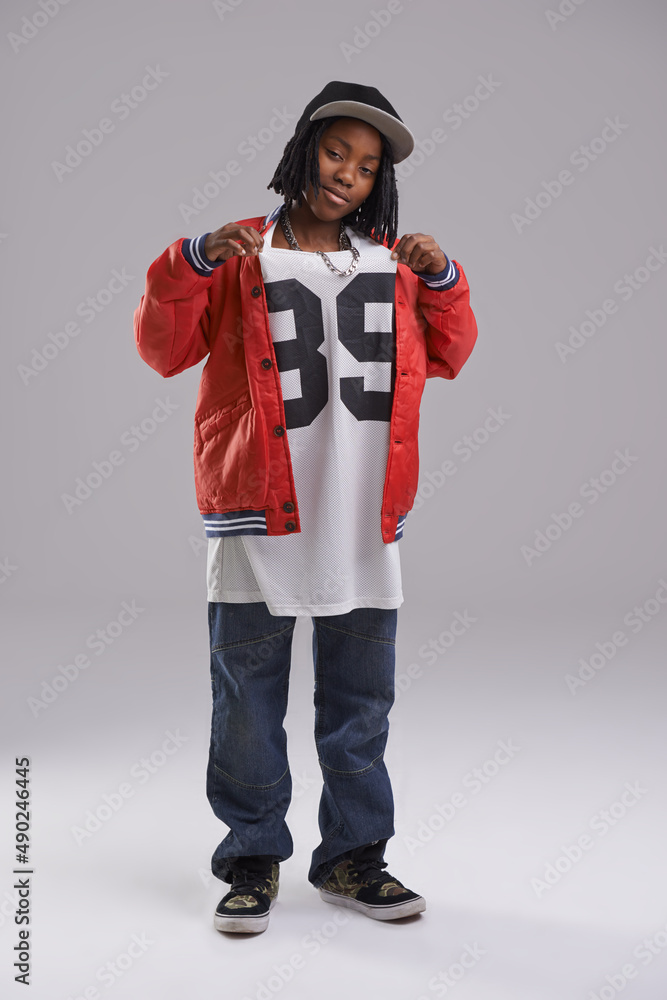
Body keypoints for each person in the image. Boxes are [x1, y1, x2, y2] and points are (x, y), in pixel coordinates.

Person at [134, 80, 478, 934]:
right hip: (257, 510)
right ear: (302, 149)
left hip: (361, 517)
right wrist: (189, 262)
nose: (348, 176)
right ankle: (251, 858)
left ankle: (354, 859)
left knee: (360, 701)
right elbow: (162, 349)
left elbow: (451, 351)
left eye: (367, 167)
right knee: (245, 697)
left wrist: (442, 281)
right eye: (336, 152)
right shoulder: (240, 251)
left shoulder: (393, 262)